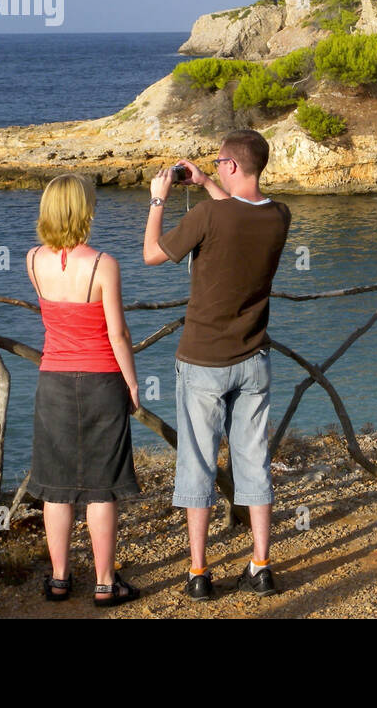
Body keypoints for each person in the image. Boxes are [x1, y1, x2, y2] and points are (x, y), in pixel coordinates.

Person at [142, 130, 291, 601]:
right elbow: (238, 213)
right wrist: (207, 181)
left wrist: (157, 201)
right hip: (255, 359)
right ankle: (262, 565)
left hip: (203, 360)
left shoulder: (208, 215)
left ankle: (199, 572)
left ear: (231, 165)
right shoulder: (280, 216)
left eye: (219, 162)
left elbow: (152, 255)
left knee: (198, 463)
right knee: (254, 462)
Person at [26, 173, 141, 607]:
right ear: (84, 211)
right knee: (102, 487)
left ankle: (58, 578)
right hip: (101, 383)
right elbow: (119, 334)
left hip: (53, 380)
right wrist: (131, 381)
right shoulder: (102, 264)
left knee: (56, 487)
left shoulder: (32, 259)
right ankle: (105, 582)